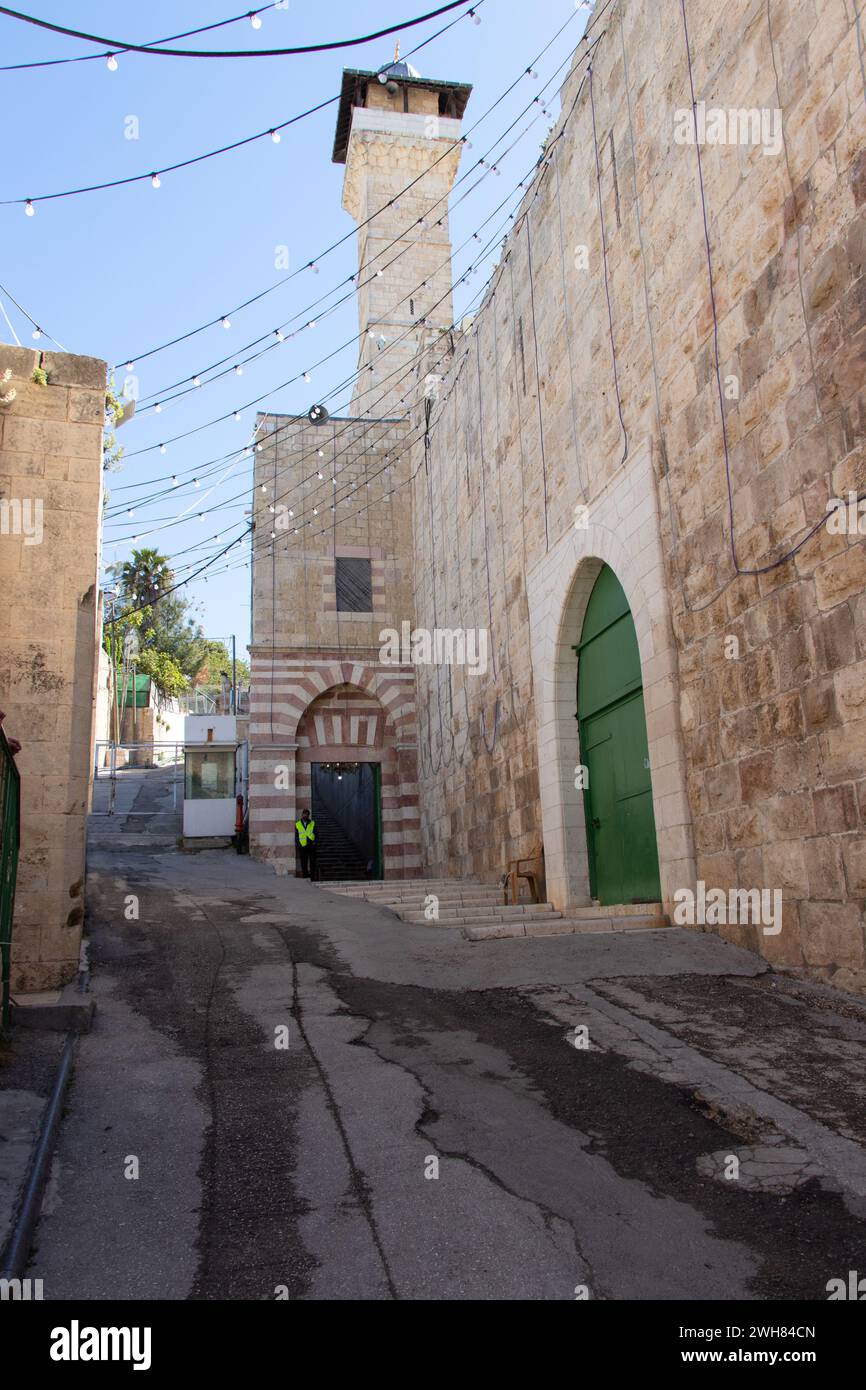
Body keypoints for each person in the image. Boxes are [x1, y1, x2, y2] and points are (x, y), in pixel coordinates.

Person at [295, 809, 317, 880]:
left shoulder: (312, 823)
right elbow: (296, 836)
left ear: (308, 815)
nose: (305, 816)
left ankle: (312, 877)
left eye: (307, 814)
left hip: (311, 846)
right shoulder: (297, 824)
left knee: (312, 862)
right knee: (303, 863)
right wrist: (299, 844)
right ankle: (305, 876)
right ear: (302, 815)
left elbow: (316, 833)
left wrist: (314, 842)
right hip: (302, 846)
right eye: (304, 814)